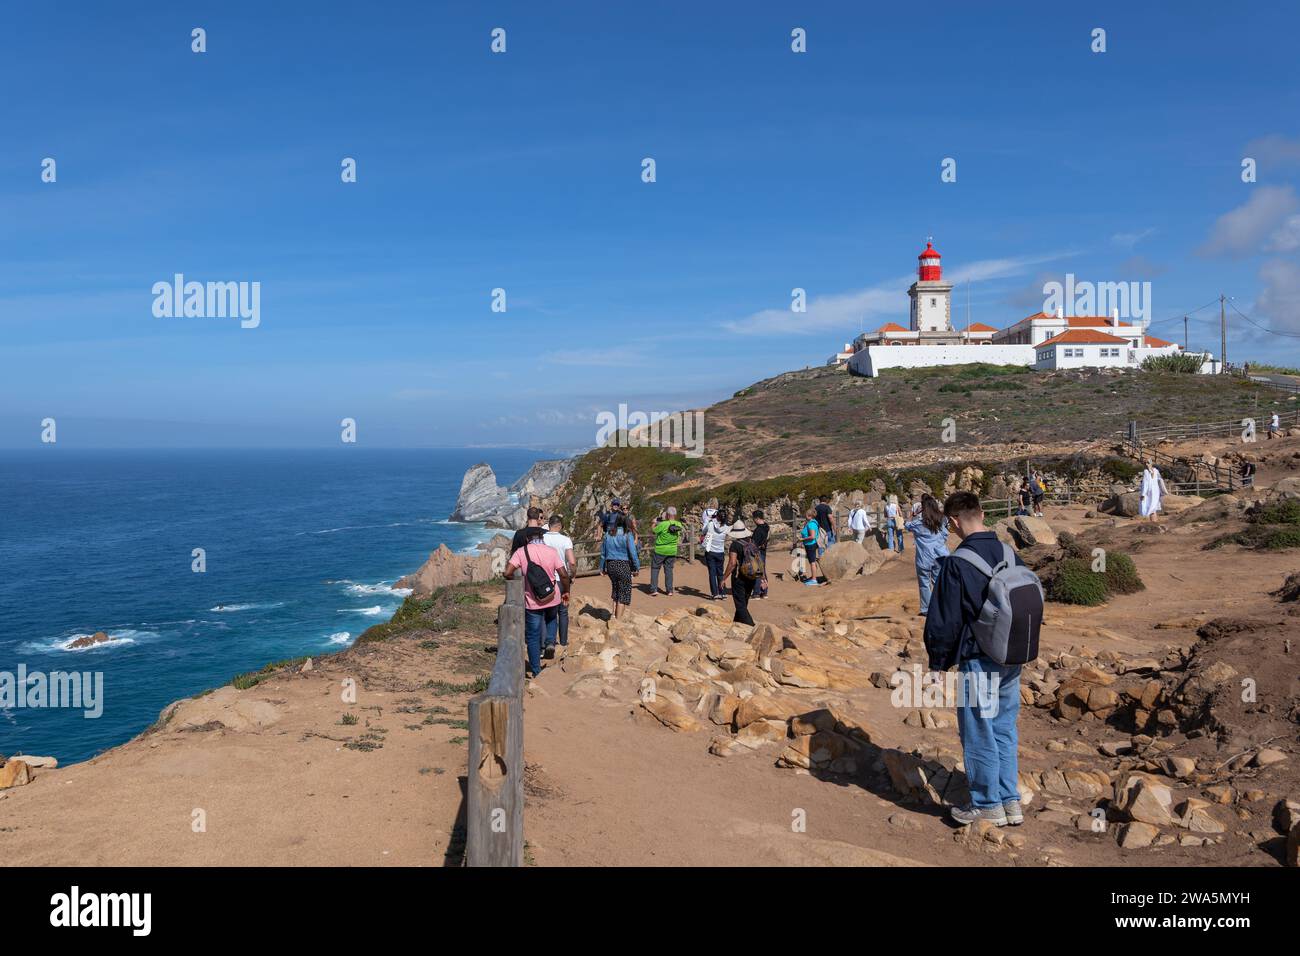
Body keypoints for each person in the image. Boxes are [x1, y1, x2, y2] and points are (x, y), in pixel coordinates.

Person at [923, 491, 1026, 827]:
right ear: (982, 514)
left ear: (953, 522)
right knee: (1004, 729)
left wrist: (937, 664)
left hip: (977, 659)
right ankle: (1011, 802)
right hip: (1012, 655)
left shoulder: (956, 563)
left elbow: (945, 621)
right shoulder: (1011, 554)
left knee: (979, 731)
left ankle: (986, 804)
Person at [504, 526, 570, 678]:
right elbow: (564, 575)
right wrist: (566, 591)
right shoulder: (551, 551)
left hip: (532, 600)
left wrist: (518, 581)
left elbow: (507, 572)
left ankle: (536, 671)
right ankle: (550, 642)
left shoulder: (521, 552)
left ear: (527, 539)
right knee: (552, 618)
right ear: (542, 537)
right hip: (552, 596)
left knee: (533, 636)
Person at [905, 494, 950, 615]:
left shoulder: (919, 523)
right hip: (940, 555)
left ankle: (926, 610)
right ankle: (940, 608)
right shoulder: (942, 520)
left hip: (924, 557)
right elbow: (946, 535)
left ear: (923, 508)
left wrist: (912, 515)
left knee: (924, 583)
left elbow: (906, 525)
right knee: (938, 582)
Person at [542, 515, 575, 649]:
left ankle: (547, 641)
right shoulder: (565, 540)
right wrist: (572, 575)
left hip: (545, 580)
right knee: (563, 611)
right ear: (560, 526)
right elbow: (572, 562)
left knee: (546, 611)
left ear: (549, 525)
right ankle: (563, 641)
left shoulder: (542, 539)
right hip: (561, 579)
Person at [599, 514, 639, 618]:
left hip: (611, 565)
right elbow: (633, 553)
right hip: (623, 565)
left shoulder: (608, 534)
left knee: (616, 590)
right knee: (623, 594)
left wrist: (602, 568)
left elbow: (603, 553)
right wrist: (636, 567)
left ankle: (613, 615)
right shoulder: (627, 535)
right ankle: (618, 622)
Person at [722, 520, 762, 624]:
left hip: (739, 577)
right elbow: (758, 560)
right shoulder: (752, 542)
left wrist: (723, 578)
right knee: (743, 602)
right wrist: (762, 578)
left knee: (740, 605)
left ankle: (751, 626)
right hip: (752, 576)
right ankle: (737, 622)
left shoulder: (735, 545)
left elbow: (732, 563)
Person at [650, 507, 686, 596]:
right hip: (672, 550)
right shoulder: (679, 524)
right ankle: (669, 590)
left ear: (667, 514)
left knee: (655, 569)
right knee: (669, 570)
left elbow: (654, 530)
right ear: (675, 514)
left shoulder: (663, 524)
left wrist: (654, 523)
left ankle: (654, 589)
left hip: (660, 550)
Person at [702, 507, 731, 599]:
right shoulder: (726, 528)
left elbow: (703, 531)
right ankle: (722, 592)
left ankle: (715, 593)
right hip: (720, 552)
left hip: (710, 551)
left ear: (717, 517)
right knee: (720, 573)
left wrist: (709, 519)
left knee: (712, 573)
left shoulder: (710, 524)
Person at [798, 508, 828, 586]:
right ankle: (813, 577)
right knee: (813, 561)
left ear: (809, 515)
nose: (805, 516)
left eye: (806, 515)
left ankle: (814, 579)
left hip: (811, 544)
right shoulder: (813, 523)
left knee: (812, 562)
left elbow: (812, 536)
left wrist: (802, 539)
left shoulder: (811, 524)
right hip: (810, 544)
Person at [751, 510, 771, 598]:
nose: (753, 521)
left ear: (757, 518)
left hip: (757, 552)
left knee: (757, 572)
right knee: (763, 571)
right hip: (763, 551)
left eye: (754, 519)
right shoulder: (767, 527)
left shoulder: (758, 530)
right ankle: (764, 592)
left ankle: (756, 592)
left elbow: (754, 544)